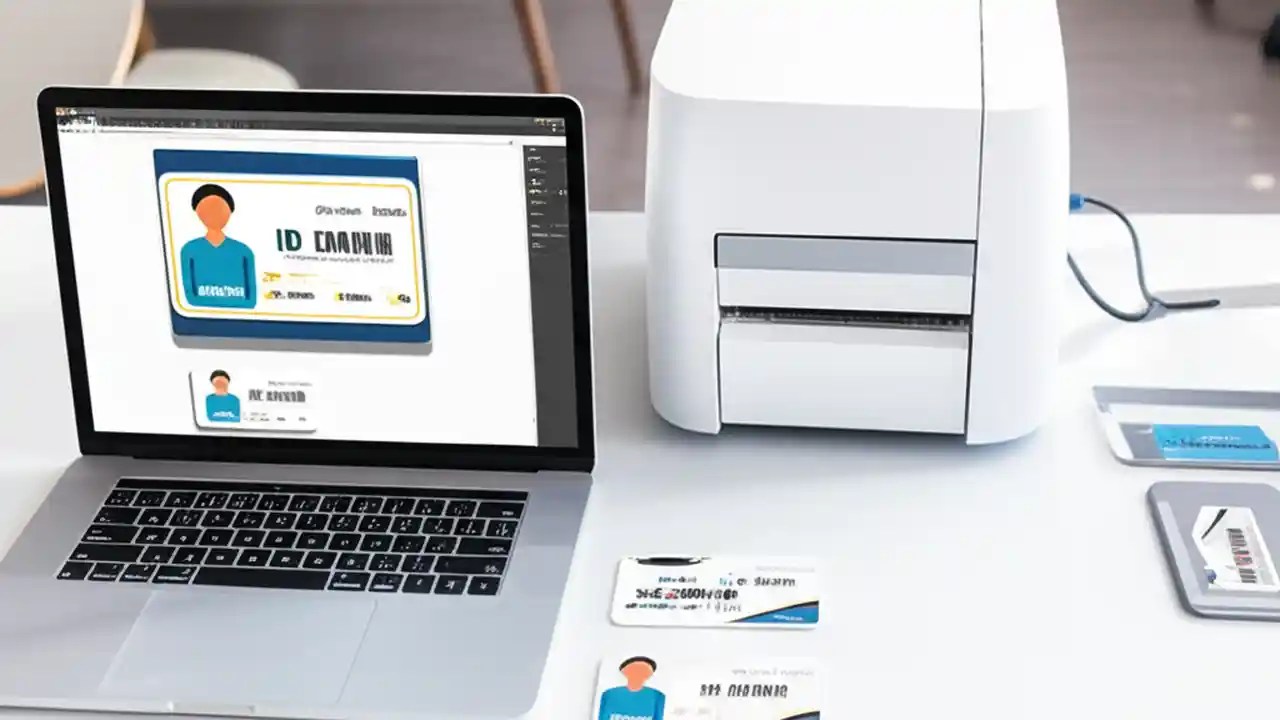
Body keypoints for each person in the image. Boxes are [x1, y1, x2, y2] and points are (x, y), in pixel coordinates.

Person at [179, 184, 257, 309]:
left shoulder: (243, 251)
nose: (213, 214)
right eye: (207, 210)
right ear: (198, 213)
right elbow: (190, 297)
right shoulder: (189, 250)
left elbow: (251, 298)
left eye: (219, 209)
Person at [598, 656, 665, 720]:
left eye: (643, 671)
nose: (639, 674)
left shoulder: (657, 696)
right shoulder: (610, 694)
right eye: (636, 670)